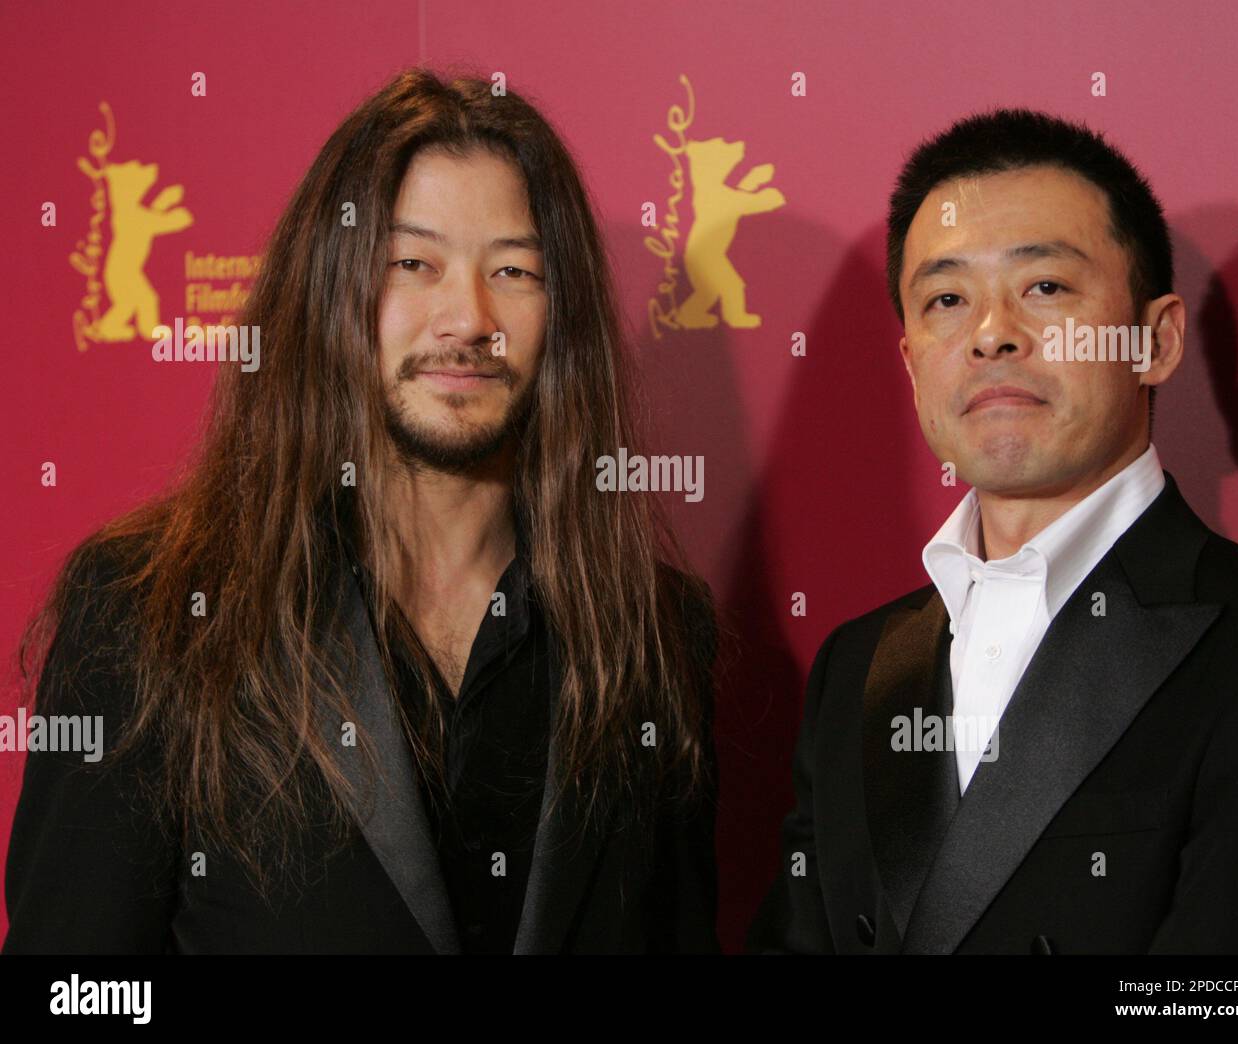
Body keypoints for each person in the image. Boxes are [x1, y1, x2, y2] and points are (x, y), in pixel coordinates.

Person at [5, 69, 719, 955]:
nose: (468, 317)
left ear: (560, 314)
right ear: (332, 287)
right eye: (412, 264)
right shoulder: (150, 616)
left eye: (514, 269)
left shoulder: (657, 636)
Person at [748, 109, 1238, 954]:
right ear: (911, 361)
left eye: (1044, 287)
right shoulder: (857, 668)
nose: (991, 333)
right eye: (946, 299)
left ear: (1152, 341)